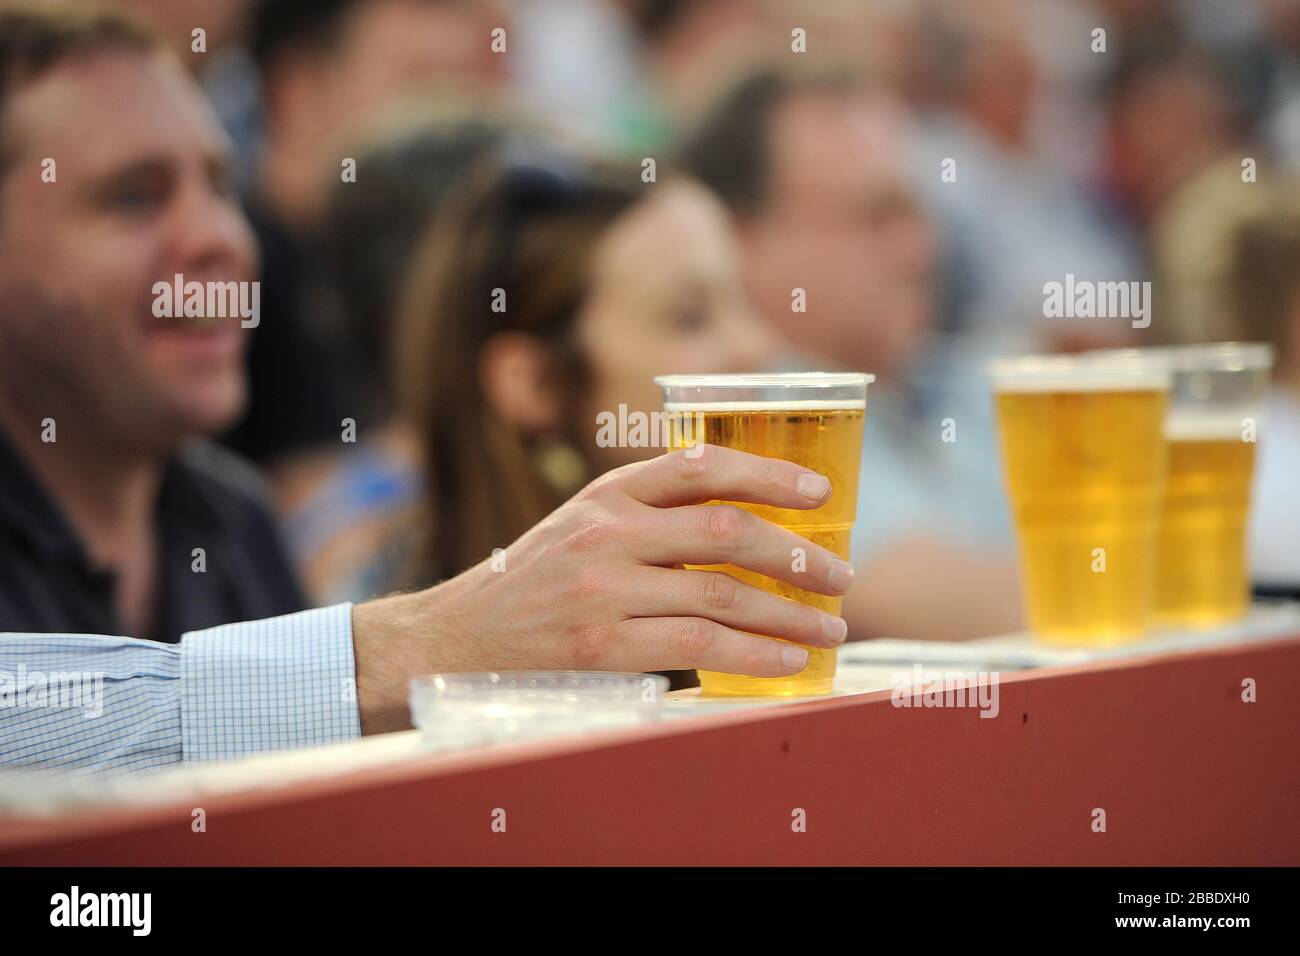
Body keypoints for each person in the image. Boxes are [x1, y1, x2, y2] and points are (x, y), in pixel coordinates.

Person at [0, 3, 854, 771]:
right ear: (526, 380)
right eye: (133, 197)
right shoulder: (350, 550)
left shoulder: (234, 520)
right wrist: (425, 645)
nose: (218, 237)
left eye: (222, 185)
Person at [681, 65, 1023, 641]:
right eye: (876, 215)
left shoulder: (964, 377)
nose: (920, 247)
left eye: (916, 212)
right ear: (738, 240)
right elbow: (942, 609)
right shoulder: (747, 418)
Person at [394, 151, 780, 589]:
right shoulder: (414, 637)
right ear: (536, 386)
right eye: (690, 317)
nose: (757, 347)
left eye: (744, 297)